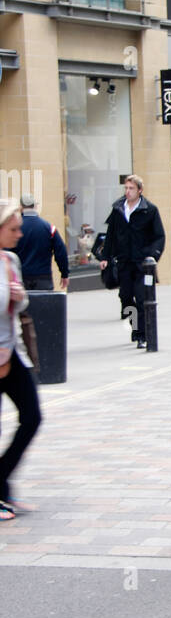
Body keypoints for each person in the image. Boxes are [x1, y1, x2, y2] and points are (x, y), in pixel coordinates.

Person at [0, 200, 42, 521]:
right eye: (13, 229)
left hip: (12, 351)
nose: (19, 234)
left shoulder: (11, 259)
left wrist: (18, 294)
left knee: (32, 416)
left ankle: (1, 480)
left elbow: (21, 300)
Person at [99, 175, 165, 344]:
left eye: (131, 188)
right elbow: (111, 235)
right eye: (126, 188)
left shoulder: (149, 210)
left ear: (140, 190)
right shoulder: (118, 209)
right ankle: (135, 326)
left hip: (142, 263)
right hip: (124, 262)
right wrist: (105, 256)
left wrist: (152, 255)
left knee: (142, 298)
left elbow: (159, 236)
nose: (127, 192)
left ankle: (141, 335)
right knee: (126, 297)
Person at [16, 194, 69, 291]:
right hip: (43, 278)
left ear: (20, 207)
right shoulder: (49, 228)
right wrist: (64, 274)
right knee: (43, 305)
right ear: (35, 206)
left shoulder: (15, 229)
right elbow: (61, 252)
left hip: (20, 279)